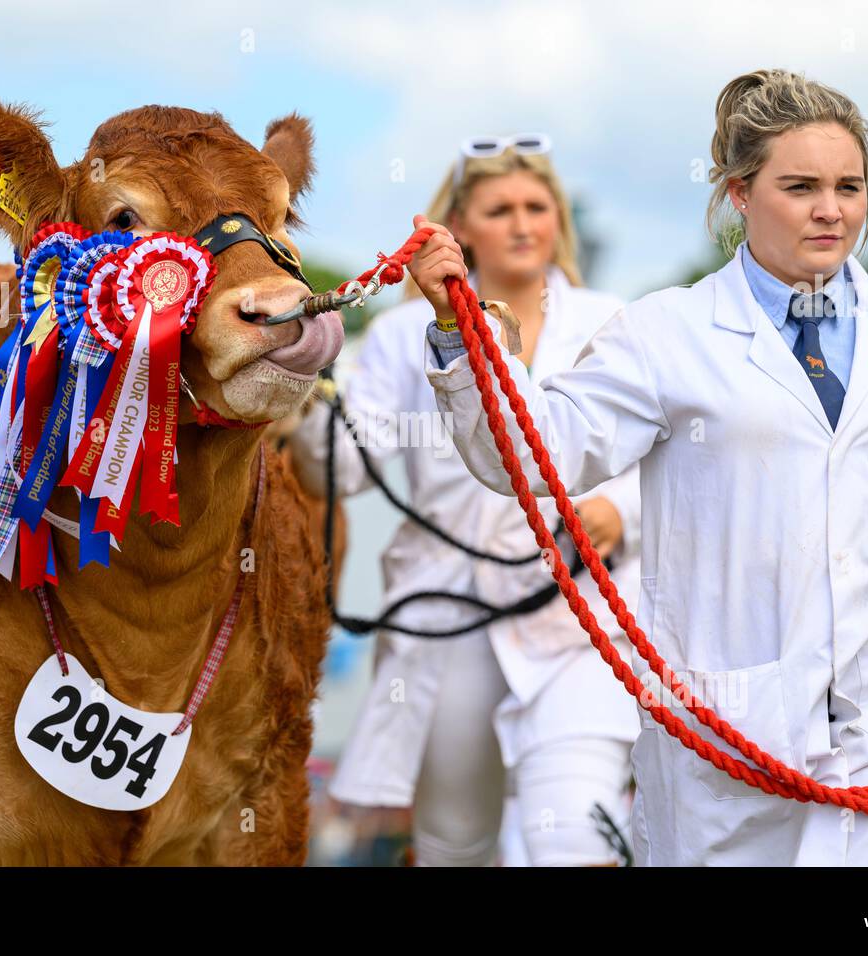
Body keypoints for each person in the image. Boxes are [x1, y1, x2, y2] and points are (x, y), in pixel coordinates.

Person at [411, 69, 868, 867]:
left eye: (851, 186)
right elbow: (536, 451)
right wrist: (455, 331)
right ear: (739, 193)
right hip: (722, 742)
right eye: (801, 186)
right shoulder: (667, 334)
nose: (832, 209)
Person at [285, 135, 642, 866]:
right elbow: (341, 471)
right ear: (457, 227)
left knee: (573, 832)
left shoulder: (616, 321)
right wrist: (306, 382)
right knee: (455, 843)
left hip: (581, 614)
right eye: (499, 208)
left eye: (537, 206)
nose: (522, 223)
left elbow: (662, 451)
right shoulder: (395, 336)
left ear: (558, 221)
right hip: (450, 614)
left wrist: (624, 512)